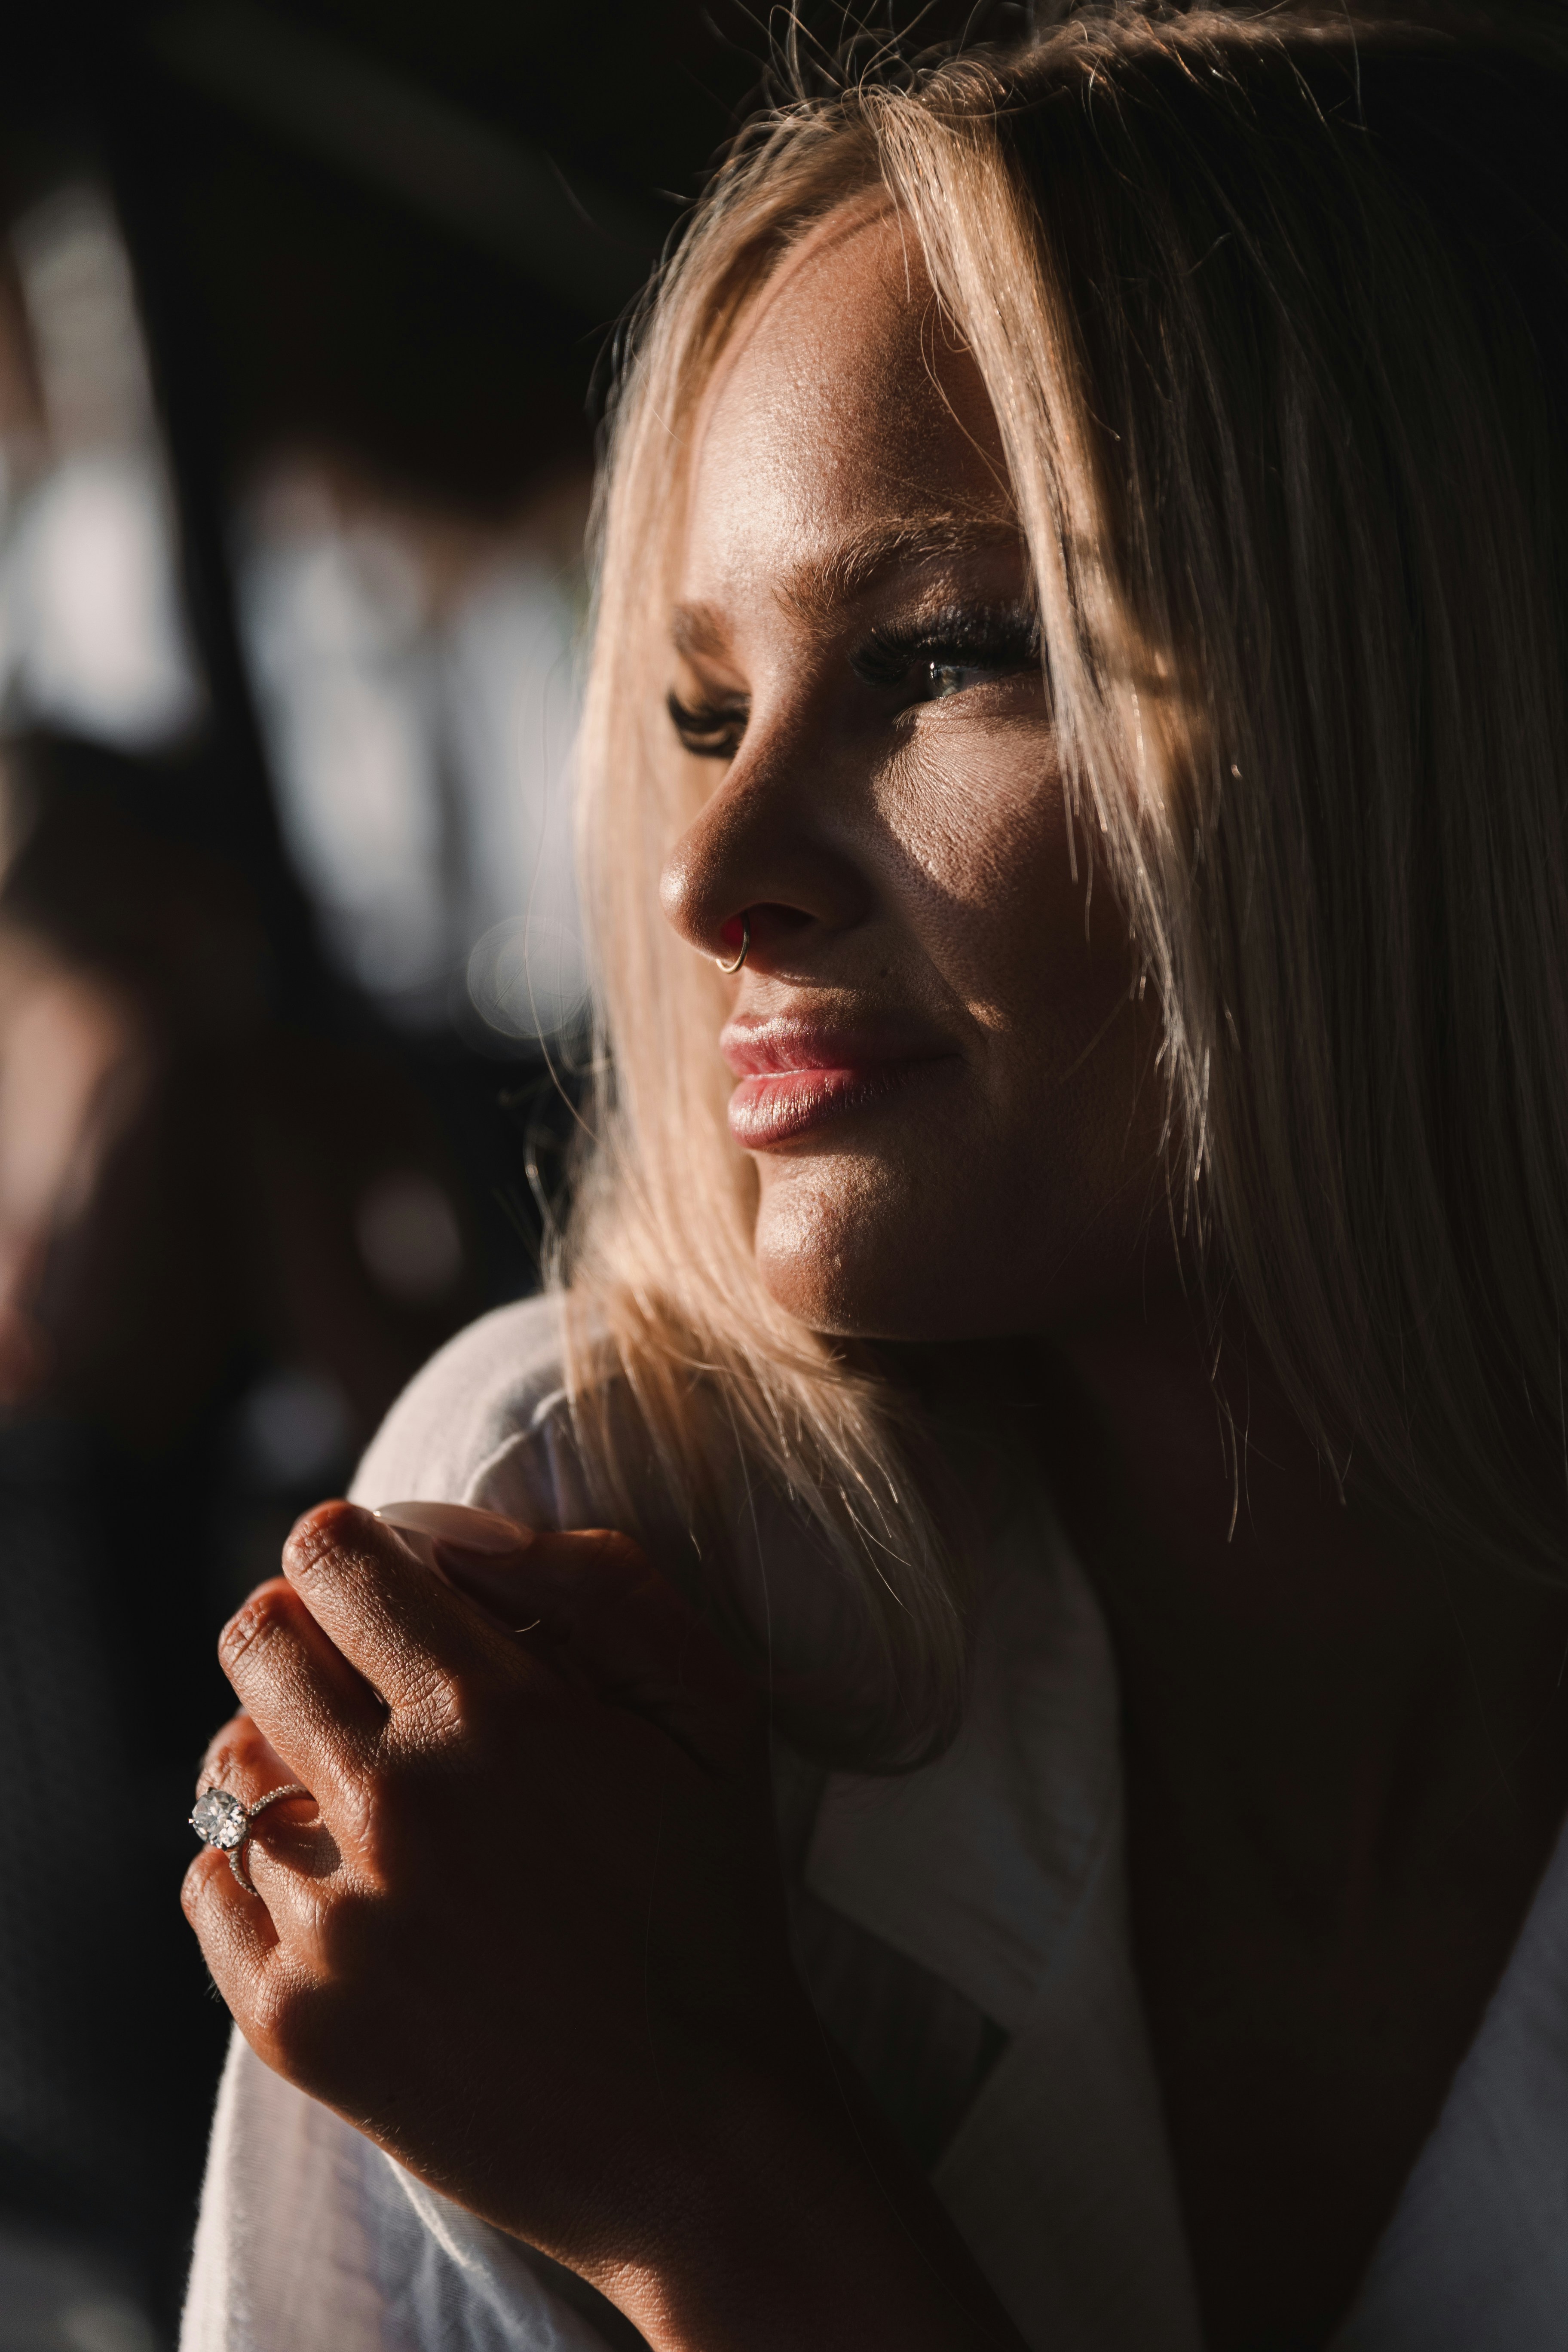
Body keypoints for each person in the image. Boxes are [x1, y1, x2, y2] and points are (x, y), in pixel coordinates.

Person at [177, 8, 1568, 2347]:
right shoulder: (576, 1574)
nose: (714, 874)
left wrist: (718, 2186)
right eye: (702, 711)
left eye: (939, 658)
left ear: (1442, 708)